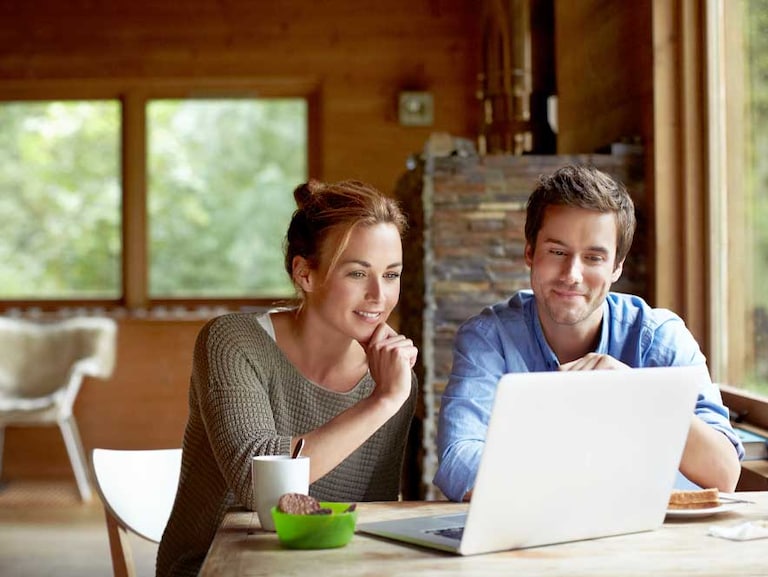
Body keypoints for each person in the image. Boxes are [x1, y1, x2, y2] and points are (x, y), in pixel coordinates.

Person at [433, 164, 744, 503]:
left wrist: (640, 393)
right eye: (557, 252)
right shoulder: (488, 338)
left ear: (616, 267)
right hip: (533, 538)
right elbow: (458, 457)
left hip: (651, 544)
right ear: (529, 253)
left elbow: (724, 473)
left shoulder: (660, 338)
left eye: (593, 257)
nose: (572, 274)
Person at [156, 179, 418, 577]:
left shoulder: (392, 378)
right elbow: (257, 482)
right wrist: (381, 402)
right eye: (357, 274)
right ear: (305, 274)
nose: (379, 297)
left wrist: (388, 395)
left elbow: (370, 513)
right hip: (215, 569)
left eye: (391, 275)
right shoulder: (232, 342)